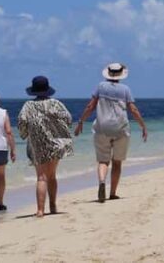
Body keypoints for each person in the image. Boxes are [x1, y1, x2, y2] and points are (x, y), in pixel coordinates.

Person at [75, 63, 148, 203]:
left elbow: (90, 106)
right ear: (121, 75)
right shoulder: (125, 89)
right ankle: (113, 193)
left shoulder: (100, 87)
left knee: (103, 160)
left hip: (102, 128)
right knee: (117, 162)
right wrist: (143, 126)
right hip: (121, 128)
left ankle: (102, 181)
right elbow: (133, 109)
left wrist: (80, 122)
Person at [18, 76, 73, 218]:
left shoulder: (28, 105)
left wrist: (25, 134)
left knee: (41, 177)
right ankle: (53, 206)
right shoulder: (55, 103)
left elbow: (22, 121)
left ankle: (40, 210)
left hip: (37, 143)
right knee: (52, 176)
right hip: (55, 142)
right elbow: (68, 118)